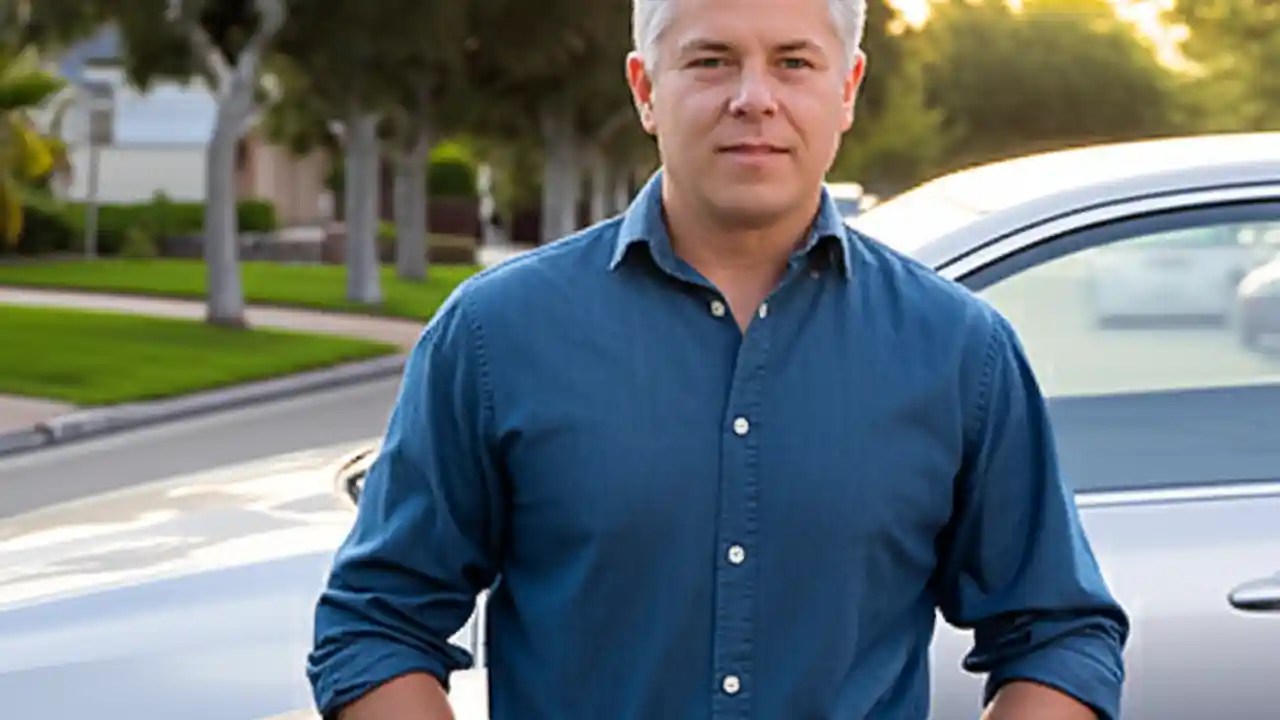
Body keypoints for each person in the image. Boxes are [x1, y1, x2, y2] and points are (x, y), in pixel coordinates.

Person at [306, 0, 1129, 717]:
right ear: (644, 89)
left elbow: (1059, 635)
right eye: (711, 61)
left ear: (846, 89)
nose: (753, 99)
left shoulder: (959, 353)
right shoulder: (495, 336)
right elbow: (376, 622)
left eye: (794, 62)